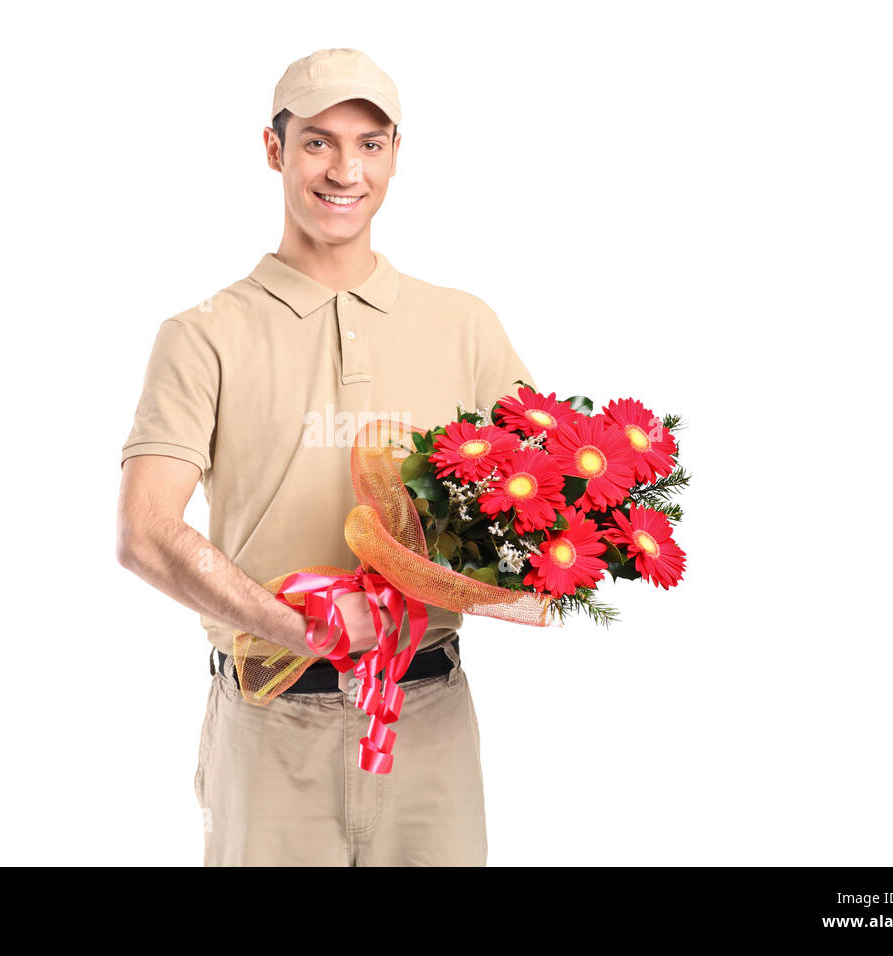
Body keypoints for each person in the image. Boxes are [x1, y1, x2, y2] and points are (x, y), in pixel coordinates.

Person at [115, 48, 535, 866]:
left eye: (370, 143)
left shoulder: (464, 325)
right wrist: (299, 625)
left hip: (431, 724)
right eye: (318, 141)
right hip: (271, 727)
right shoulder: (203, 335)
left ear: (395, 155)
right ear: (274, 150)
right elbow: (145, 531)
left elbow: (545, 499)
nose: (346, 169)